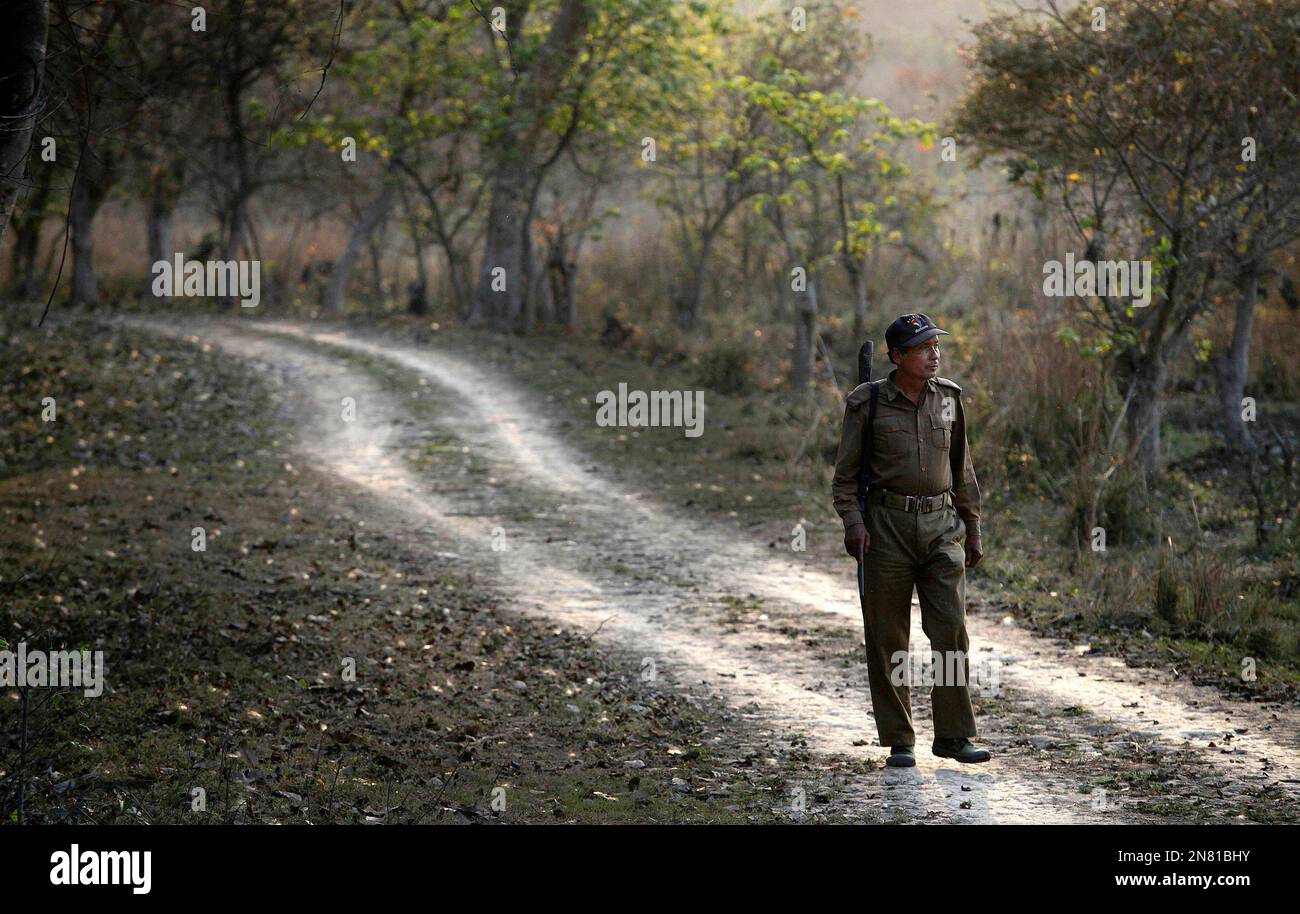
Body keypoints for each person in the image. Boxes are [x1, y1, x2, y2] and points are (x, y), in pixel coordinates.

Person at [831, 313, 991, 767]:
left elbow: (963, 471)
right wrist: (853, 523)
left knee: (950, 632)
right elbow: (844, 479)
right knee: (888, 637)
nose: (934, 354)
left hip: (942, 527)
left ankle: (955, 736)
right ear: (897, 356)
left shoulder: (950, 400)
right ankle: (900, 740)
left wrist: (972, 525)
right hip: (885, 528)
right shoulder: (869, 403)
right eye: (923, 348)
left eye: (936, 346)